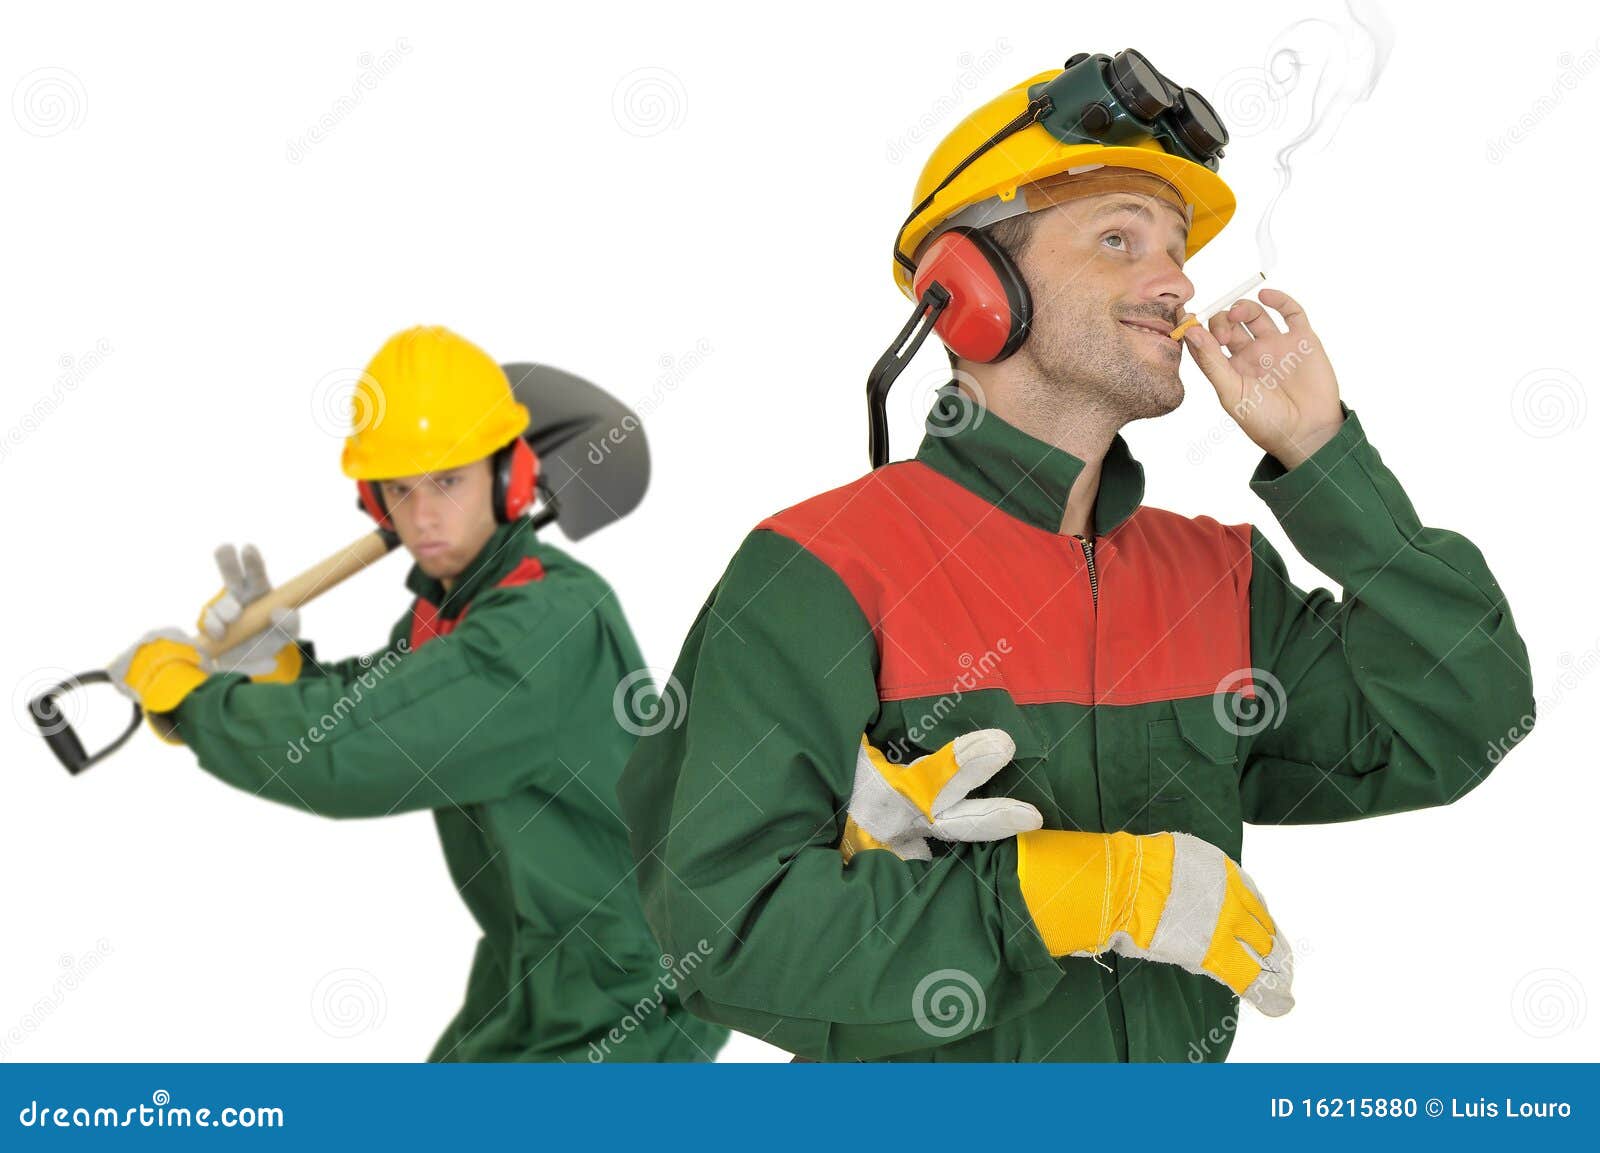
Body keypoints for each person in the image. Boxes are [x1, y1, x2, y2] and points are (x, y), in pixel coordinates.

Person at [618, 54, 1536, 1062]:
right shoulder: (817, 570)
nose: (1177, 282)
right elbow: (718, 931)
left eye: (1176, 249)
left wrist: (1323, 463)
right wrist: (1072, 893)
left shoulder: (1217, 578)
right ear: (973, 290)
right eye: (1117, 238)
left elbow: (1459, 721)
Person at [109, 325, 727, 1063]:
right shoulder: (458, 612)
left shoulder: (544, 622)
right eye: (400, 489)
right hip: (534, 974)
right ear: (375, 502)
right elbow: (370, 702)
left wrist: (192, 700)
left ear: (510, 477)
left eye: (448, 481)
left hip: (626, 1000)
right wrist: (276, 667)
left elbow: (350, 751)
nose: (423, 516)